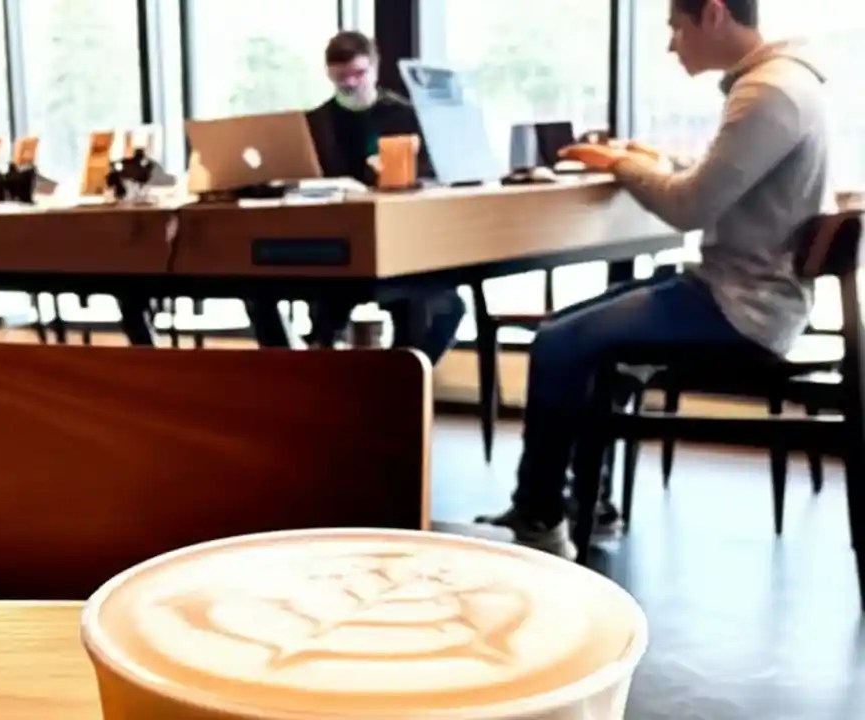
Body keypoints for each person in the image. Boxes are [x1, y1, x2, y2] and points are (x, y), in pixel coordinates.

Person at [476, 0, 829, 559]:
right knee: (574, 332)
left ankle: (541, 515)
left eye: (675, 27)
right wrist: (653, 157)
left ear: (713, 14)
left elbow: (690, 206)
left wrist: (617, 164)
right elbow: (724, 173)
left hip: (741, 307)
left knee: (557, 342)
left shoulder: (768, 93)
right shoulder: (785, 84)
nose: (671, 44)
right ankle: (589, 505)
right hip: (748, 293)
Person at [304, 31, 465, 364]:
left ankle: (399, 380)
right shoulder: (315, 123)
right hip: (335, 242)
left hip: (401, 241)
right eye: (341, 77)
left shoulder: (406, 115)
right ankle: (317, 372)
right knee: (299, 300)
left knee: (441, 307)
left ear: (375, 69)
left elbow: (432, 175)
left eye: (358, 74)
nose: (351, 83)